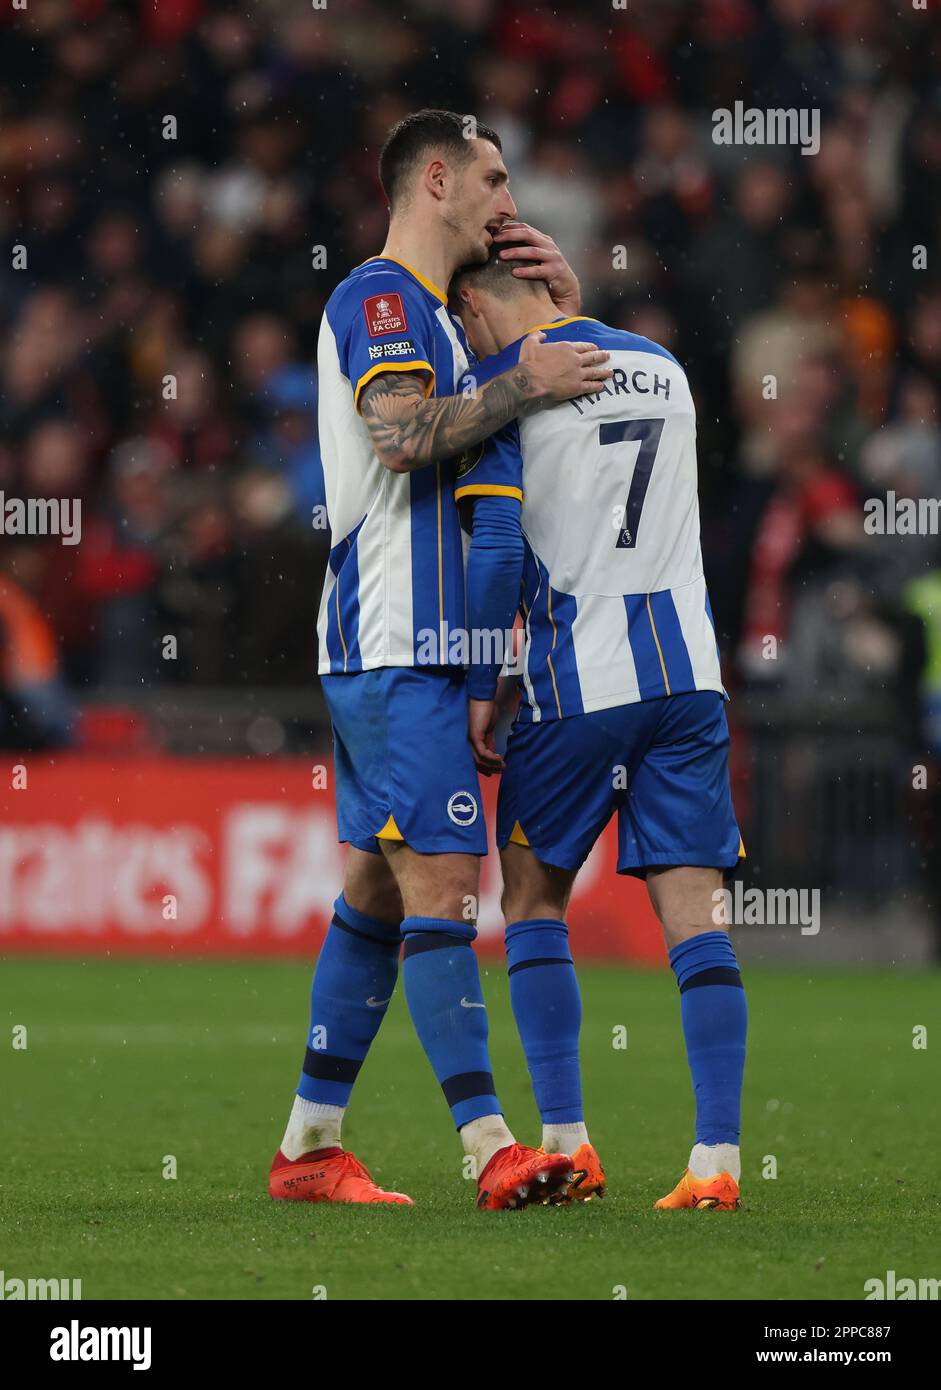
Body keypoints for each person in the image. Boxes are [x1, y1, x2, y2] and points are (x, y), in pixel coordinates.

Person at [269, 110, 613, 1210]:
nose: (508, 203)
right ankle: (489, 1146)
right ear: (433, 180)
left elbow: (539, 402)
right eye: (494, 182)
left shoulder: (441, 318)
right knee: (444, 889)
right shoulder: (377, 298)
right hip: (389, 636)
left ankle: (309, 1148)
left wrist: (551, 322)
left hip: (421, 647)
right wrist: (527, 378)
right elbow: (402, 434)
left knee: (375, 893)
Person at [449, 242, 747, 1211]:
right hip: (689, 681)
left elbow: (495, 545)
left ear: (478, 309)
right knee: (696, 922)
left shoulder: (502, 389)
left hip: (573, 687)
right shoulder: (661, 363)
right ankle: (715, 1160)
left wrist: (484, 676)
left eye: (461, 320)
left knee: (533, 905)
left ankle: (567, 1139)